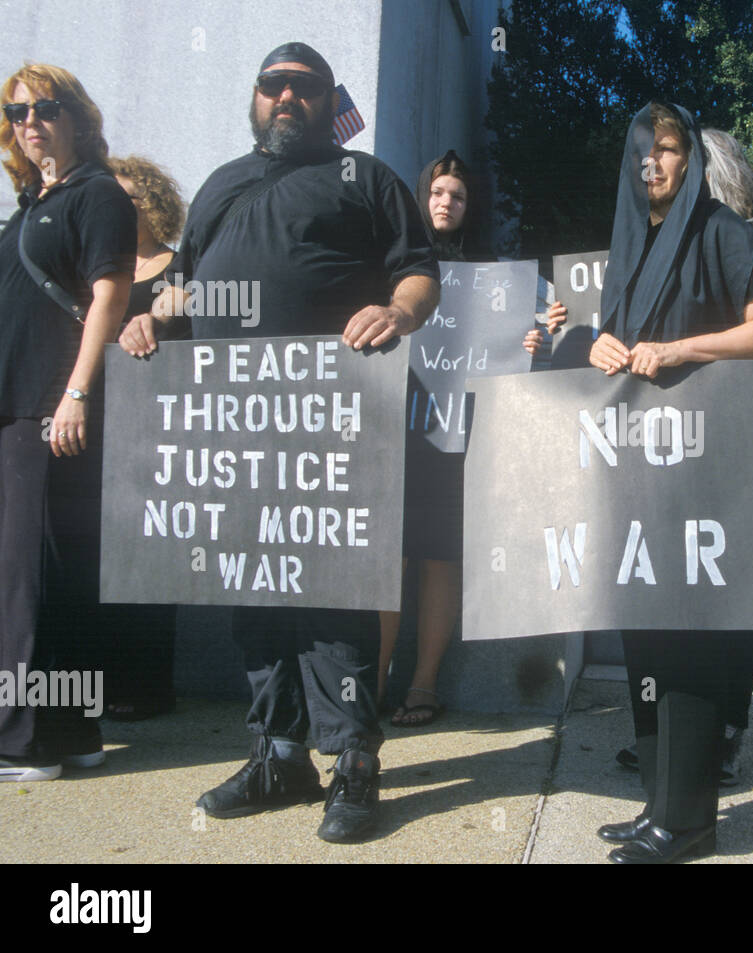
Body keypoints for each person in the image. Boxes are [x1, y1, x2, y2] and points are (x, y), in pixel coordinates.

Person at [118, 42, 439, 842]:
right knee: (254, 595)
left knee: (335, 596)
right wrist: (151, 316)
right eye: (275, 85)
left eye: (306, 87)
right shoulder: (221, 186)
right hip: (233, 426)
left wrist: (398, 313)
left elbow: (418, 271)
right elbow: (185, 289)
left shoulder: (366, 178)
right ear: (255, 97)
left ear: (332, 102)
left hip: (329, 423)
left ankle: (355, 763)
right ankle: (279, 755)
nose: (288, 96)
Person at [586, 102, 753, 863]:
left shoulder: (719, 230)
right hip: (639, 470)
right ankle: (658, 805)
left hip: (709, 469)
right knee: (647, 640)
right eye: (643, 150)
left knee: (691, 644)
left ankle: (690, 821)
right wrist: (602, 346)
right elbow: (619, 351)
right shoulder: (629, 244)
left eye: (670, 149)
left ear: (691, 160)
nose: (655, 163)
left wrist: (680, 349)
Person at [0, 64, 134, 781]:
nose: (30, 121)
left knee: (25, 581)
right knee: (51, 574)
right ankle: (73, 733)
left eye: (46, 108)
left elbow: (109, 296)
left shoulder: (97, 194)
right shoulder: (30, 204)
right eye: (17, 111)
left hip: (49, 408)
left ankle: (20, 742)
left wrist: (76, 394)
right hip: (19, 408)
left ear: (77, 117)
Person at [45, 155, 186, 724]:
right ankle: (82, 689)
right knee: (83, 559)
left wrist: (161, 314)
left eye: (130, 200)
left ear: (153, 202)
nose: (119, 210)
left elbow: (190, 304)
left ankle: (145, 686)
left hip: (150, 434)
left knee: (146, 560)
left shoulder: (178, 268)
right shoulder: (89, 268)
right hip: (83, 425)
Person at [377, 149, 476, 728]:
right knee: (390, 558)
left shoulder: (489, 271)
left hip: (454, 439)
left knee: (441, 558)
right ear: (423, 198)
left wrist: (539, 335)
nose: (446, 203)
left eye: (458, 196)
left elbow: (514, 343)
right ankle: (376, 680)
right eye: (438, 193)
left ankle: (424, 684)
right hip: (392, 432)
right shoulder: (391, 261)